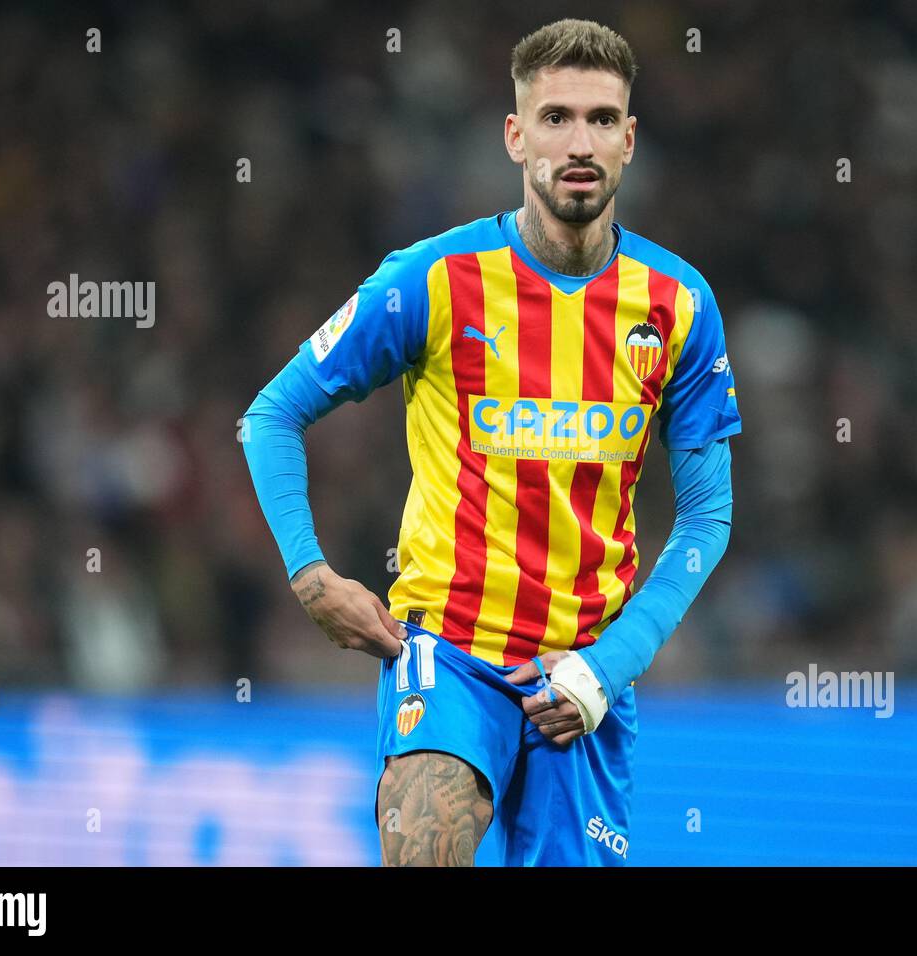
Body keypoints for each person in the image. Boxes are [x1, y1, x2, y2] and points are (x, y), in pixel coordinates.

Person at [241, 18, 741, 865]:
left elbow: (706, 521)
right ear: (515, 136)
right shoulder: (431, 280)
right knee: (425, 836)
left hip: (581, 679)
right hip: (447, 650)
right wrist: (310, 572)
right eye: (554, 118)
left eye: (599, 118)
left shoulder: (678, 304)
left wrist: (607, 667)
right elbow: (271, 415)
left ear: (629, 139)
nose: (577, 142)